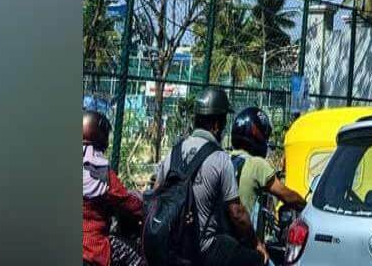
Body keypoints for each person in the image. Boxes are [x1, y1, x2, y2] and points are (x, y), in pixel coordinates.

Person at [152, 86, 268, 266]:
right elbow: (237, 213)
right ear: (216, 125)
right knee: (255, 260)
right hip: (202, 247)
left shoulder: (173, 153)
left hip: (170, 243)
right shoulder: (220, 158)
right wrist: (257, 243)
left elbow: (155, 193)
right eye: (222, 123)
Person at [229, 106, 307, 236]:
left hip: (221, 240)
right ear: (257, 134)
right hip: (245, 243)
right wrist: (306, 206)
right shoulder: (257, 164)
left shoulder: (224, 158)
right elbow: (286, 196)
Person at [82, 110, 144, 266]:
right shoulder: (98, 169)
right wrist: (147, 205)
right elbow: (128, 202)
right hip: (92, 248)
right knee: (139, 260)